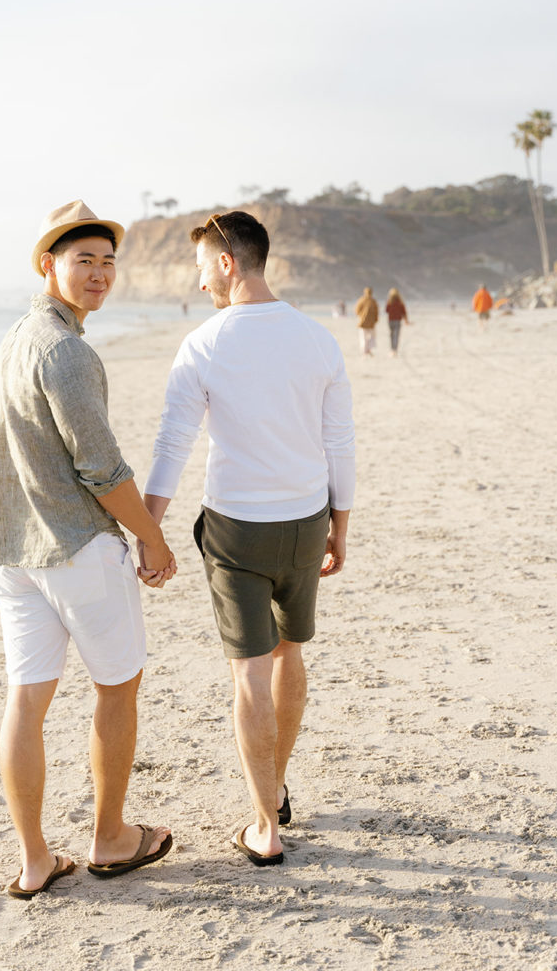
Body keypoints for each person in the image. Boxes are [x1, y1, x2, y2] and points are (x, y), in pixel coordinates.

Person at [142, 211, 355, 867]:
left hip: (236, 528)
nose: (199, 275)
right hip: (305, 521)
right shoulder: (319, 338)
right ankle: (278, 785)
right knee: (289, 656)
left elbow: (175, 441)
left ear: (229, 262)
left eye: (203, 262)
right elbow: (339, 440)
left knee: (249, 674)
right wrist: (340, 524)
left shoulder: (206, 343)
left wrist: (147, 528)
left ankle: (266, 824)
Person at [0, 200, 175, 899]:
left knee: (25, 704)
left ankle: (36, 861)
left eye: (106, 261)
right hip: (75, 547)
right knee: (117, 688)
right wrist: (150, 539)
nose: (99, 273)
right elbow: (102, 469)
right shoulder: (67, 351)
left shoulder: (15, 338)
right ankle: (110, 838)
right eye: (82, 261)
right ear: (48, 266)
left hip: (12, 552)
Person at [354, 287, 378, 355]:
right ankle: (368, 349)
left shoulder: (361, 300)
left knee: (363, 337)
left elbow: (357, 310)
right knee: (371, 336)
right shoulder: (373, 301)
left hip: (363, 322)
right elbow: (376, 312)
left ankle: (365, 350)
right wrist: (375, 319)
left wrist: (361, 316)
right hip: (371, 323)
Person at [385, 288, 409, 356]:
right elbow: (404, 312)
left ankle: (392, 349)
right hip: (397, 320)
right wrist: (406, 320)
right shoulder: (400, 302)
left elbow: (386, 310)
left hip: (390, 320)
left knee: (391, 335)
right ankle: (395, 350)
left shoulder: (389, 301)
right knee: (396, 336)